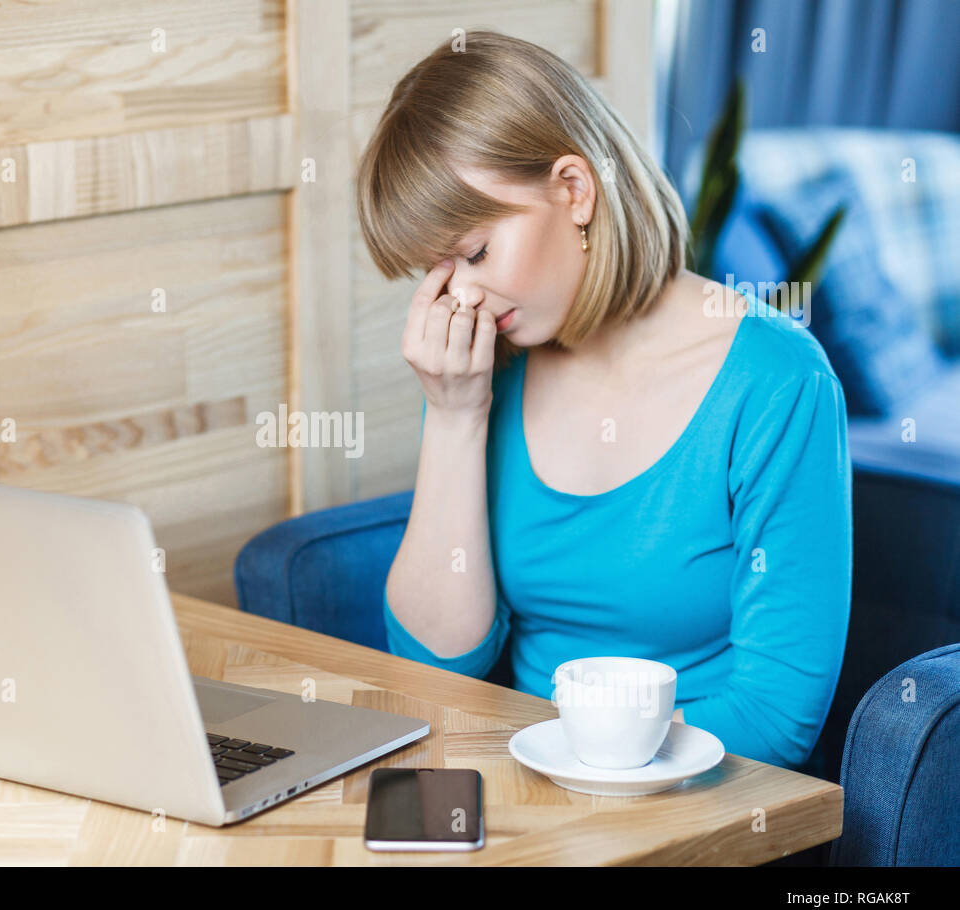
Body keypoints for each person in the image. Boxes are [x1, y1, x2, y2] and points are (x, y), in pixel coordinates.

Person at [355, 31, 852, 770]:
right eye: (435, 270)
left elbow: (775, 719)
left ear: (575, 190)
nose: (459, 295)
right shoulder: (486, 365)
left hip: (692, 805)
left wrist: (559, 757)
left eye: (476, 252)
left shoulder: (779, 384)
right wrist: (457, 416)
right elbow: (439, 665)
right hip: (524, 787)